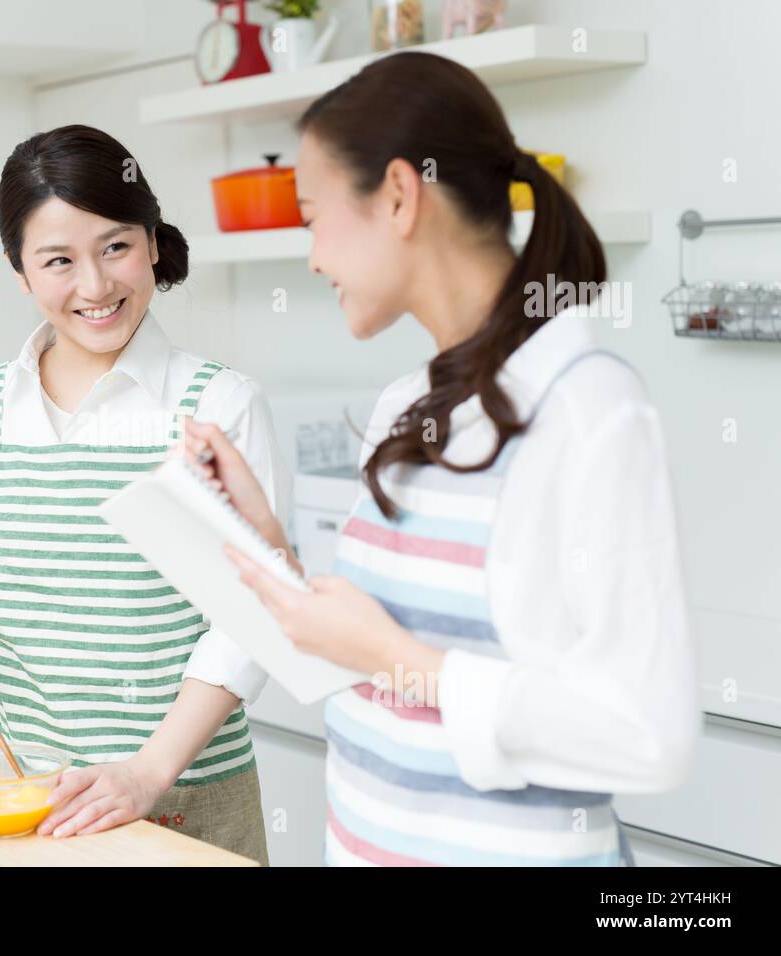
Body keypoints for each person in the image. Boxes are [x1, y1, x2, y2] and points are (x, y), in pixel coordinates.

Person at [179, 52, 699, 866]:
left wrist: (397, 658)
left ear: (397, 194)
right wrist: (265, 538)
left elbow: (648, 736)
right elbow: (352, 665)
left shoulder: (585, 406)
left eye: (312, 216)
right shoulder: (408, 403)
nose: (311, 257)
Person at [0, 125, 287, 863]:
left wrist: (146, 773)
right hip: (21, 792)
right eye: (59, 260)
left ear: (154, 243)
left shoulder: (216, 404)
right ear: (20, 272)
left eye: (116, 247)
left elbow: (251, 616)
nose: (95, 286)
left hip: (182, 797)